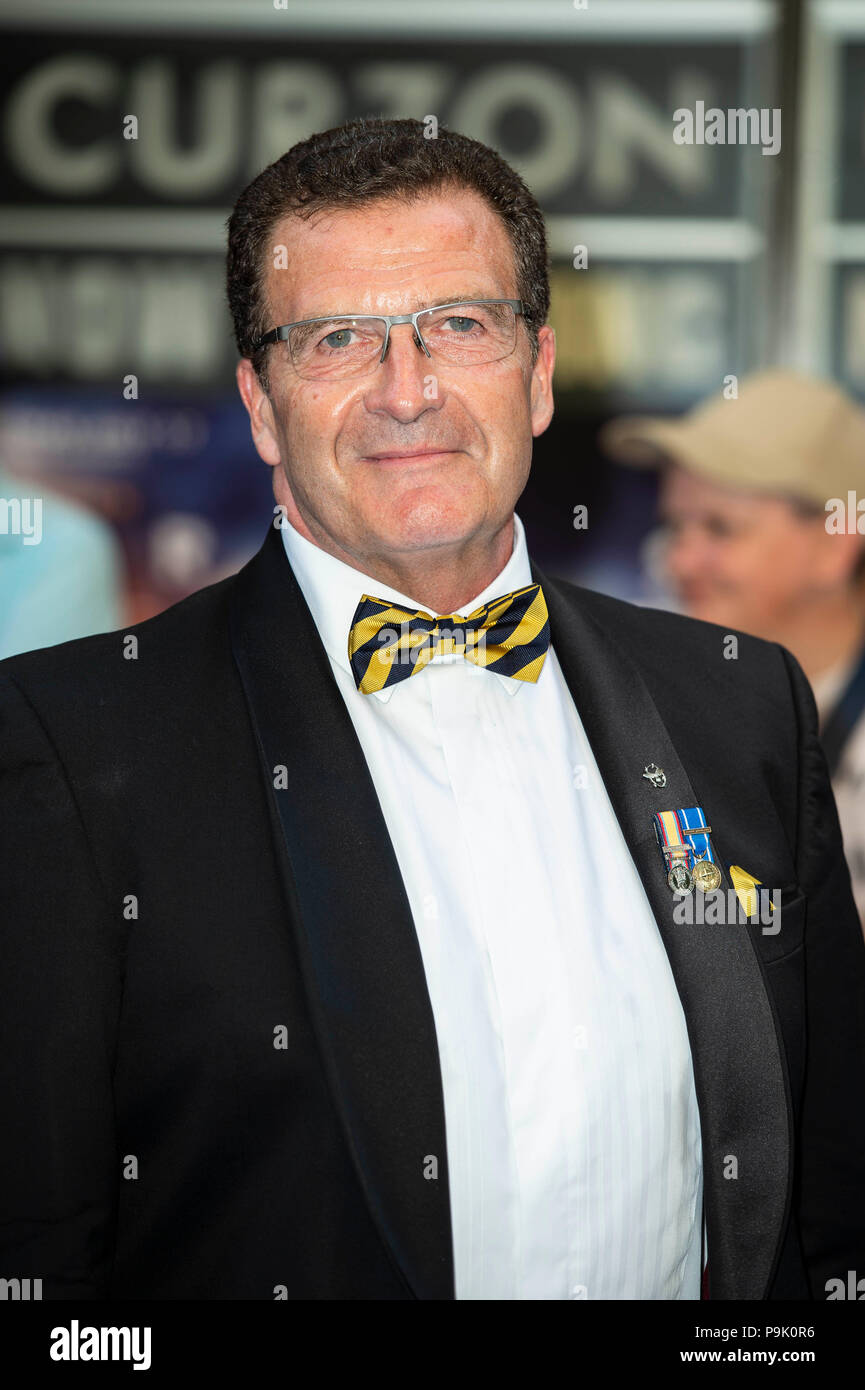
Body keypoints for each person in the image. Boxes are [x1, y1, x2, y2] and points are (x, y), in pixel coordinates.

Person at [1, 119, 864, 1303]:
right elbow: (39, 1245)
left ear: (538, 371)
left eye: (459, 325)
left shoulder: (738, 699)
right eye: (339, 338)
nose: (406, 392)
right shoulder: (71, 738)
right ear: (261, 405)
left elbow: (824, 1190)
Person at [602, 370, 865, 927]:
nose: (680, 562)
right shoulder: (646, 711)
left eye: (720, 529)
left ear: (835, 545)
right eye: (676, 526)